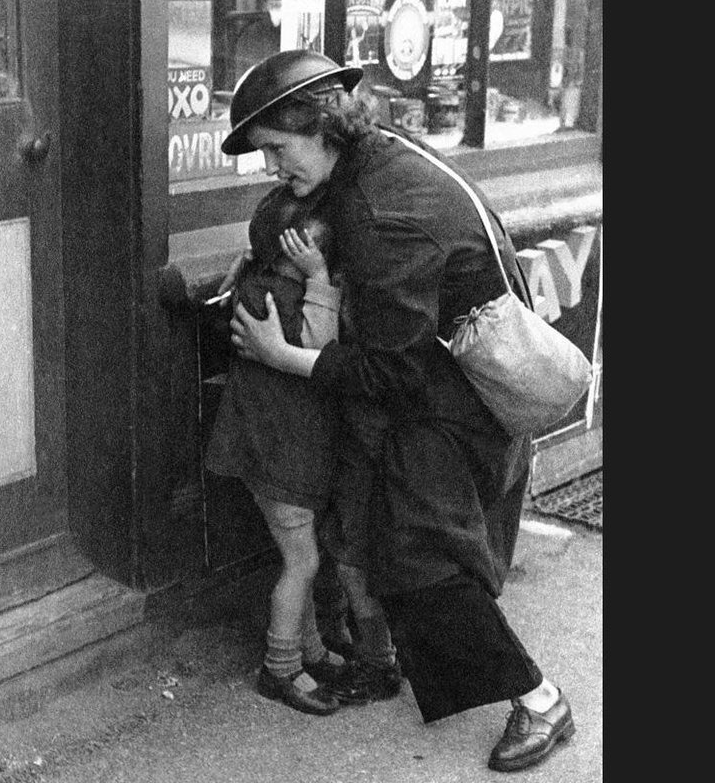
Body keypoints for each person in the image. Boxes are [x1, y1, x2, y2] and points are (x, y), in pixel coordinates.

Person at [217, 49, 575, 771]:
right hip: (451, 392)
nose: (273, 169)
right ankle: (409, 665)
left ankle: (541, 702)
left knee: (422, 561)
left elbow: (393, 368)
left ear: (319, 126)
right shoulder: (380, 158)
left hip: (443, 402)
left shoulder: (379, 211)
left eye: (278, 150)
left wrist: (286, 358)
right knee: (418, 549)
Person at [203, 185, 351, 716]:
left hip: (271, 448)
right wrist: (318, 281)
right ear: (294, 254)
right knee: (302, 560)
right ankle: (280, 667)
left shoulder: (256, 284)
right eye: (317, 250)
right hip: (275, 454)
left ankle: (309, 650)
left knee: (304, 557)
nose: (327, 257)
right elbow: (319, 348)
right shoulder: (282, 301)